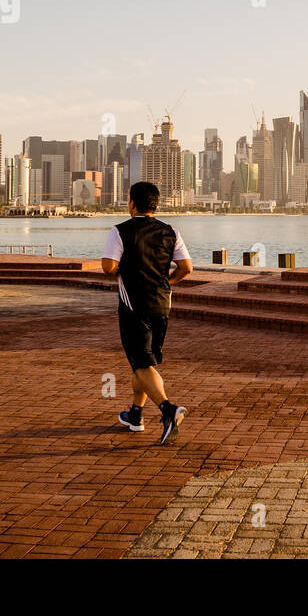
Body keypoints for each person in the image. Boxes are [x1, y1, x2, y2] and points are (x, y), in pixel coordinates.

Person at [101, 181, 193, 445]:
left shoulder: (120, 231)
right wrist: (166, 282)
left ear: (132, 203)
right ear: (156, 203)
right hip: (163, 304)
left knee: (141, 363)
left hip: (134, 306)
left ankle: (168, 409)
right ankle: (135, 414)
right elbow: (186, 267)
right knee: (144, 363)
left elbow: (108, 266)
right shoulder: (171, 231)